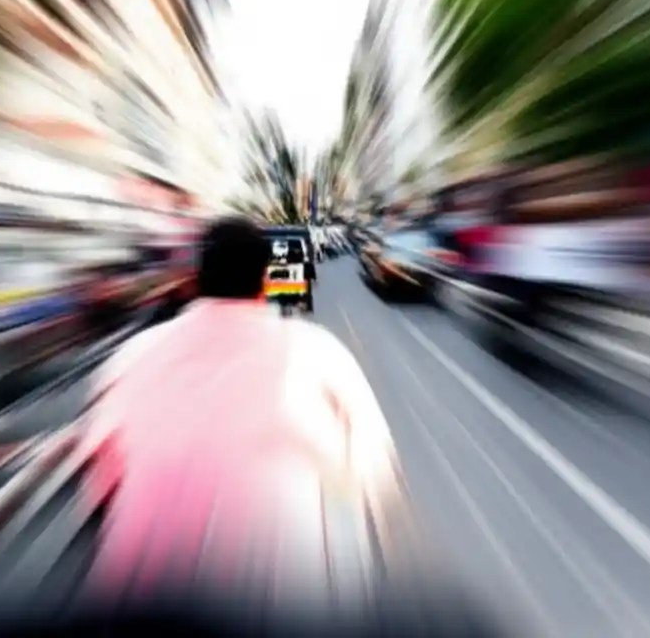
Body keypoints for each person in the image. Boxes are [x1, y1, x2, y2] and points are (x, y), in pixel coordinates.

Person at [77, 216, 407, 612]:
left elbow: (101, 480)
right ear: (266, 280)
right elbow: (373, 468)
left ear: (194, 281)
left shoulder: (131, 357)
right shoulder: (316, 352)